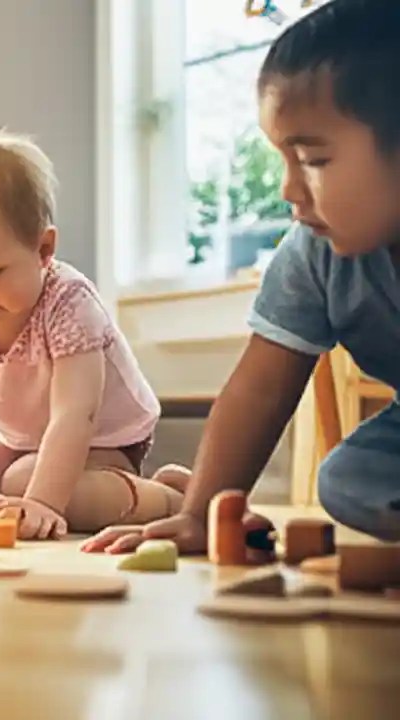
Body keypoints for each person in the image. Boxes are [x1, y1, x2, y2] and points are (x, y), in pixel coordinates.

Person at [85, 0, 400, 554]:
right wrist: (201, 512)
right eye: (283, 158)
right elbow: (259, 388)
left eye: (315, 161)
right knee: (347, 478)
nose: (287, 190)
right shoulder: (315, 252)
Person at [0, 132, 190, 539]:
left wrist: (42, 503)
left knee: (22, 482)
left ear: (44, 250)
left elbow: (75, 416)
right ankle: (34, 489)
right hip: (24, 439)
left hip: (102, 439)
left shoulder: (69, 303)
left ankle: (169, 498)